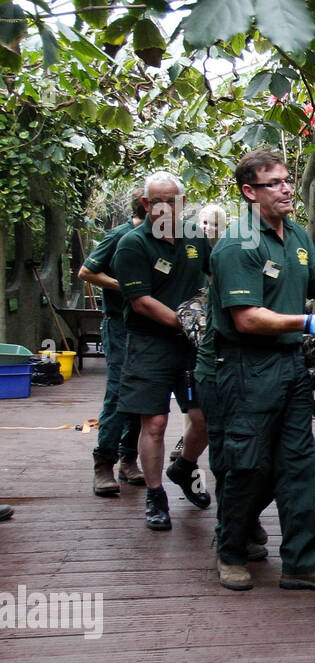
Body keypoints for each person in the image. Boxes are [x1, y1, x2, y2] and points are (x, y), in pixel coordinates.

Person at [206, 148, 315, 591]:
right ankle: (231, 551)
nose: (287, 188)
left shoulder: (296, 236)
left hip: (292, 366)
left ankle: (301, 562)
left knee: (299, 465)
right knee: (248, 465)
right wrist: (309, 322)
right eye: (274, 183)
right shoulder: (239, 245)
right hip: (246, 366)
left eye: (287, 180)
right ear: (249, 192)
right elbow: (247, 318)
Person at [114, 171, 212, 531]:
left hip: (192, 346)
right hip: (150, 344)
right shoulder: (132, 244)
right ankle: (156, 496)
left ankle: (184, 468)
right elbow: (141, 302)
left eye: (171, 200)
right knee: (154, 422)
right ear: (145, 203)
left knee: (203, 419)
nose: (164, 207)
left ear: (183, 203)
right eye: (156, 201)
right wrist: (188, 324)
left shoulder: (194, 237)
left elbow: (213, 274)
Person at [78, 188, 147, 497]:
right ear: (145, 205)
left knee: (142, 392)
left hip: (149, 326)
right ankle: (102, 462)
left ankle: (128, 459)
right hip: (119, 324)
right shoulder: (119, 235)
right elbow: (86, 272)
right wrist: (126, 287)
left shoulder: (160, 238)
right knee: (119, 390)